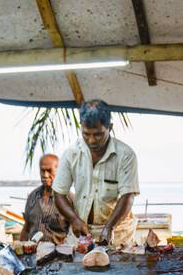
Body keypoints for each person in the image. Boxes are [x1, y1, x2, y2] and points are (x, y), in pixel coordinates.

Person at [52, 99, 140, 247]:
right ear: (81, 128)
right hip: (81, 230)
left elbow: (128, 196)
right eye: (86, 134)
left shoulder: (126, 155)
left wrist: (110, 227)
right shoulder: (71, 154)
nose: (92, 140)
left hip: (118, 231)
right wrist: (74, 219)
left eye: (98, 134)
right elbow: (59, 193)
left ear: (110, 127)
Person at [18, 153, 70, 243]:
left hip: (59, 254)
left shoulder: (68, 199)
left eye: (49, 170)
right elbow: (26, 228)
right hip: (34, 253)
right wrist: (20, 247)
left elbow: (77, 232)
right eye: (42, 170)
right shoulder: (32, 197)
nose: (45, 175)